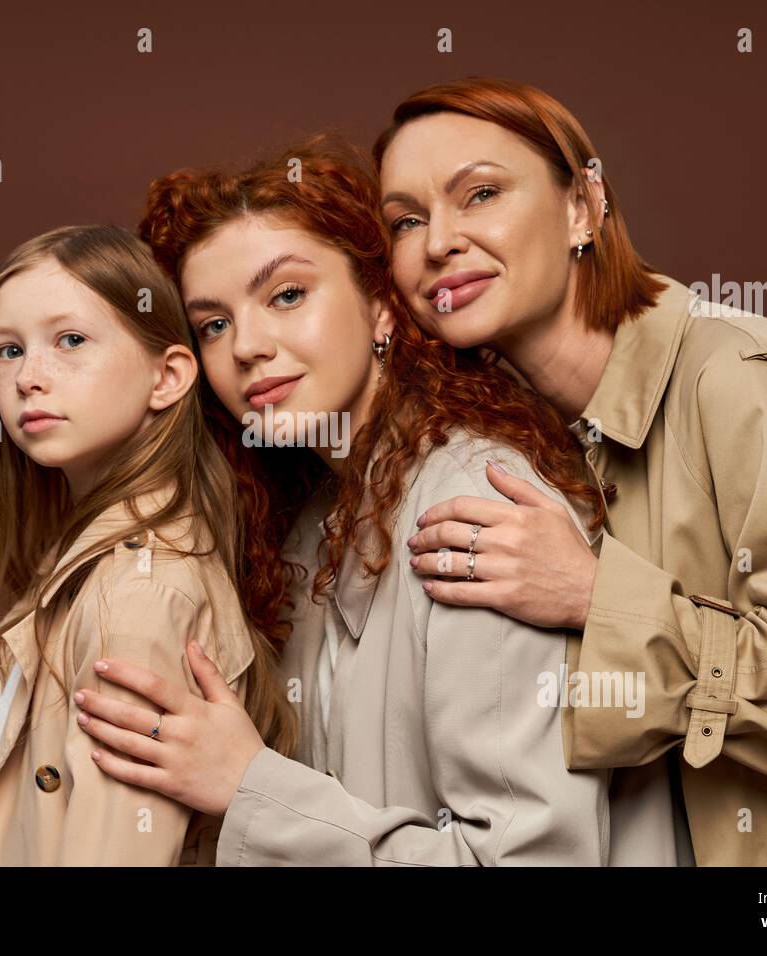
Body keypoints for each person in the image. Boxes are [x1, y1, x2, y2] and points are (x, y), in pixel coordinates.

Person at [374, 76, 767, 865]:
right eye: (406, 219)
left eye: (479, 194)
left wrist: (593, 594)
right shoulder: (527, 439)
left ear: (583, 206)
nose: (437, 241)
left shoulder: (747, 376)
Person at [71, 135, 684, 864]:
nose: (248, 347)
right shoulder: (306, 526)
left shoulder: (471, 505)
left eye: (287, 295)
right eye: (214, 323)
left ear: (382, 309)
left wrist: (250, 789)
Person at [0, 224, 295, 866]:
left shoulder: (136, 592)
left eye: (71, 340)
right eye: (8, 351)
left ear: (167, 377)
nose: (30, 377)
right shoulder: (97, 567)